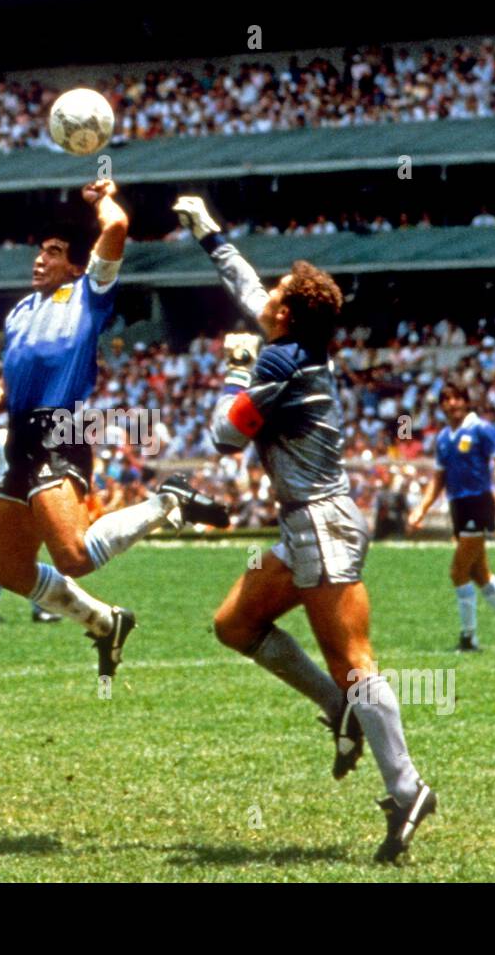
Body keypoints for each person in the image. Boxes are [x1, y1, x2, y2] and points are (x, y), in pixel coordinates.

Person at [174, 194, 435, 863]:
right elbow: (250, 292)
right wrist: (210, 235)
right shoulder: (294, 348)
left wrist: (234, 369)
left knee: (353, 660)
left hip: (320, 525)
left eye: (279, 291)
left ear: (286, 315)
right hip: (308, 526)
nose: (267, 294)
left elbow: (224, 437)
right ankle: (340, 710)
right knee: (235, 623)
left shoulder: (279, 364)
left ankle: (408, 789)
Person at [0, 180, 229, 680]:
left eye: (54, 252)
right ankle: (106, 622)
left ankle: (167, 502)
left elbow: (117, 225)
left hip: (60, 429)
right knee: (11, 572)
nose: (40, 259)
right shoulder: (20, 312)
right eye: (40, 250)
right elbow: (12, 375)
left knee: (75, 556)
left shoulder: (89, 292)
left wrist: (101, 197)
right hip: (20, 438)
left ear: (75, 265)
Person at [407, 383, 495, 651]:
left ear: (466, 401)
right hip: (457, 506)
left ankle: (469, 637)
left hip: (478, 503)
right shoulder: (443, 438)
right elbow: (438, 478)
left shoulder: (481, 429)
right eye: (446, 399)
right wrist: (421, 509)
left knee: (458, 571)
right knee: (479, 572)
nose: (452, 403)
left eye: (457, 398)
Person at [0, 426, 60, 624]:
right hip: (4, 503)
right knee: (15, 558)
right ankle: (36, 610)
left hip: (28, 503)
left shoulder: (34, 436)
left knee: (20, 558)